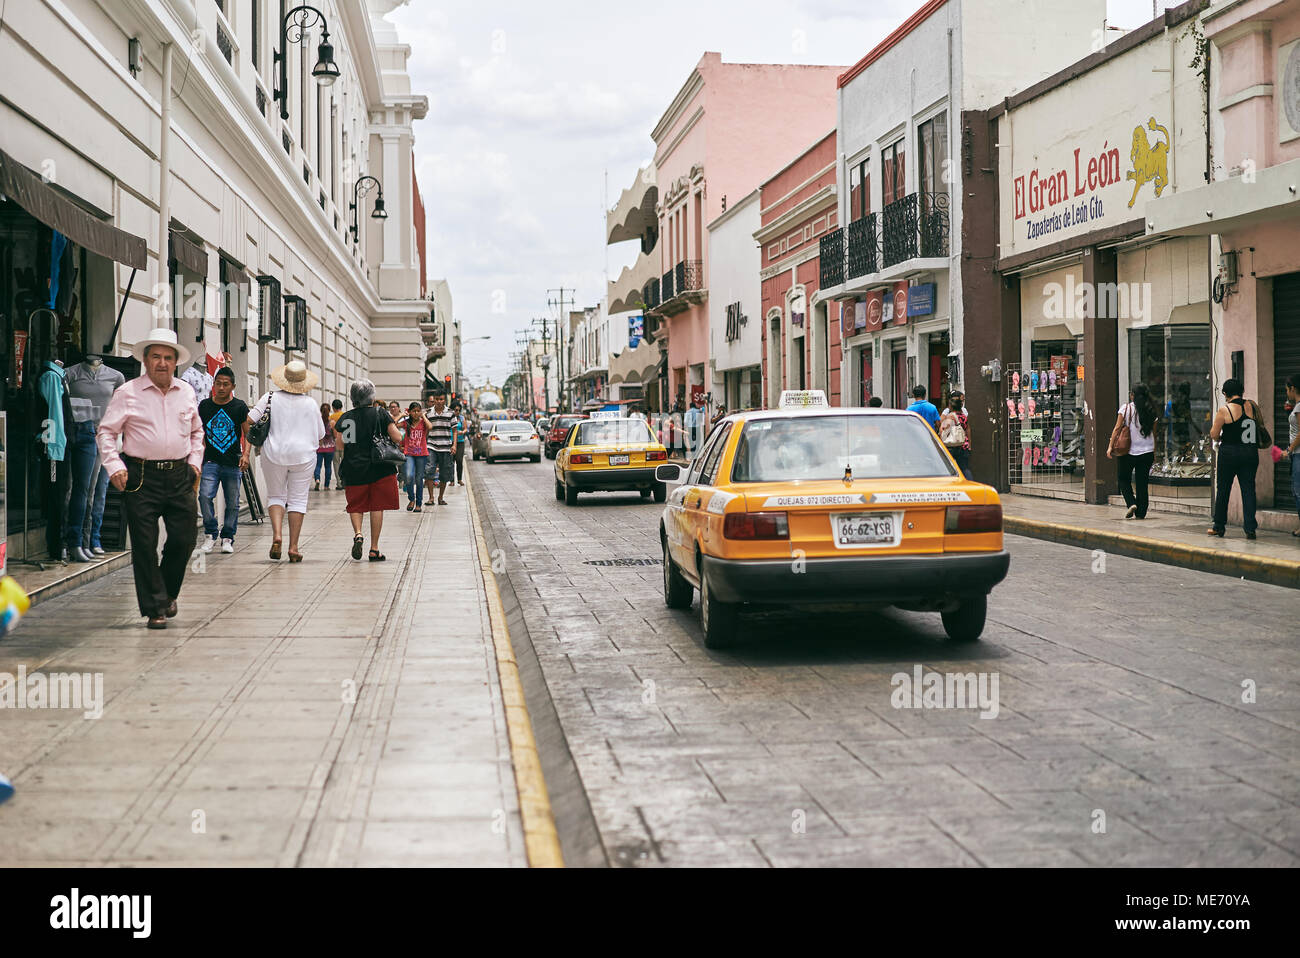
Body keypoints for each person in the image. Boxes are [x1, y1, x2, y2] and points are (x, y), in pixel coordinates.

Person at [96, 328, 204, 630]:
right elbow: (106, 432)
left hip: (181, 474)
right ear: (145, 360)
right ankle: (155, 607)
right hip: (140, 476)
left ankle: (167, 593)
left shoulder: (186, 392)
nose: (162, 363)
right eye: (156, 356)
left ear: (175, 362)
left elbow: (197, 433)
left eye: (168, 358)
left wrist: (195, 464)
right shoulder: (127, 393)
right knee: (144, 545)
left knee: (184, 539)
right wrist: (114, 465)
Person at [247, 361, 325, 562]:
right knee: (298, 500)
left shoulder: (270, 397)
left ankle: (277, 536)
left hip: (273, 453)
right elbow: (320, 434)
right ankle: (293, 547)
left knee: (275, 496)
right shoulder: (310, 403)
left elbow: (249, 420)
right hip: (303, 456)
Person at [336, 378, 403, 561]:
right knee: (377, 506)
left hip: (354, 467)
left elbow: (341, 445)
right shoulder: (380, 413)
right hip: (379, 468)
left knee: (355, 505)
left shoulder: (347, 417)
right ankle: (374, 549)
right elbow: (397, 437)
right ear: (371, 396)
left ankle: (358, 534)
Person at [198, 366, 250, 554]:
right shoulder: (204, 406)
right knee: (204, 496)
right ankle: (210, 533)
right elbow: (198, 433)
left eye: (225, 384)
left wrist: (246, 455)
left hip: (232, 462)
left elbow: (248, 433)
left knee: (233, 502)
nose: (221, 388)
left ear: (232, 386)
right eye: (218, 384)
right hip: (210, 461)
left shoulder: (239, 406)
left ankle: (227, 537)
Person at [1207, 378, 1265, 540]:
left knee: (1223, 489)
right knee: (1248, 490)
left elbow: (1214, 434)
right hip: (1250, 453)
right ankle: (1250, 529)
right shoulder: (1252, 406)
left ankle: (1218, 526)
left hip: (1230, 453)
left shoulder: (1225, 410)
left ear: (1225, 393)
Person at [1107, 383, 1159, 519]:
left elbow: (1117, 428)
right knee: (1142, 483)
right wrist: (1154, 451)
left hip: (1128, 452)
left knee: (1123, 479)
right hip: (1147, 451)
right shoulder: (1151, 410)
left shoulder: (1126, 408)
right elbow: (1154, 434)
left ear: (1132, 395)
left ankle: (1131, 503)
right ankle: (1141, 513)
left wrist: (1110, 446)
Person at [425, 392, 457, 505]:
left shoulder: (451, 413)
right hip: (431, 445)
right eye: (437, 399)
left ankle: (440, 497)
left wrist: (454, 445)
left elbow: (454, 430)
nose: (439, 401)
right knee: (429, 471)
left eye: (441, 399)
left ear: (445, 400)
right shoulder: (428, 413)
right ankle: (431, 497)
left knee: (444, 473)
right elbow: (426, 430)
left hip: (446, 447)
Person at [403, 401, 431, 511]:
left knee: (419, 479)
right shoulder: (406, 423)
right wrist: (402, 415)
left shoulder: (423, 423)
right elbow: (393, 423)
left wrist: (423, 416)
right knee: (409, 476)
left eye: (418, 411)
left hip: (421, 454)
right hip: (409, 453)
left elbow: (430, 426)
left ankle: (419, 503)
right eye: (413, 411)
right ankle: (411, 499)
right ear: (410, 412)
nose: (416, 413)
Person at [1282, 374, 1300, 537]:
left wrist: (1289, 450)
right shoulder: (1297, 406)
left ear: (1292, 388)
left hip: (1298, 454)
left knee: (1298, 491)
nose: (1286, 393)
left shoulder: (1299, 407)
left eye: (1287, 390)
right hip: (1297, 454)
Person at [939, 390, 971, 478]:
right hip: (964, 444)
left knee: (949, 469)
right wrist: (969, 444)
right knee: (965, 468)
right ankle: (969, 485)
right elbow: (968, 429)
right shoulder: (964, 415)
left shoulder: (950, 416)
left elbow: (943, 429)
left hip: (952, 445)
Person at [314, 402, 336, 491]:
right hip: (330, 447)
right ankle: (326, 486)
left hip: (319, 447)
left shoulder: (317, 422)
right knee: (328, 466)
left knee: (318, 465)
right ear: (329, 410)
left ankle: (317, 479)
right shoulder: (332, 422)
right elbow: (335, 435)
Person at [329, 399, 345, 489]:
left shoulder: (331, 417)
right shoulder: (345, 415)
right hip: (345, 441)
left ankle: (339, 483)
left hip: (335, 441)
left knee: (336, 463)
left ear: (333, 407)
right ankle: (344, 481)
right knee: (344, 461)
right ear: (341, 407)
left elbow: (330, 429)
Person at [451, 405, 468, 486]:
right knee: (451, 461)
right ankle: (451, 480)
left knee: (459, 460)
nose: (457, 412)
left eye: (458, 410)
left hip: (460, 442)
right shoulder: (449, 418)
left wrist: (462, 432)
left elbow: (465, 428)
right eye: (455, 410)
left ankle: (459, 479)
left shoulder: (461, 418)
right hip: (450, 442)